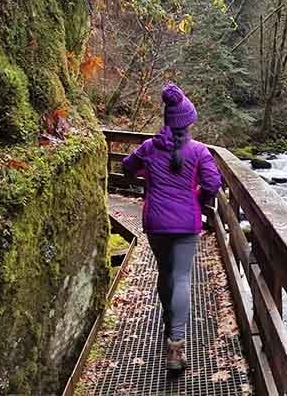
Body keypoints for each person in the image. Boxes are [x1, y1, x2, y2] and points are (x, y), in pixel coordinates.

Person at [122, 83, 222, 371]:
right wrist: (199, 200)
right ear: (189, 122)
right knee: (181, 278)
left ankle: (168, 319)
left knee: (164, 273)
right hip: (186, 223)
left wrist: (145, 173)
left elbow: (127, 167)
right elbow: (213, 184)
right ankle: (175, 346)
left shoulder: (150, 148)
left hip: (155, 222)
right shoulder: (199, 151)